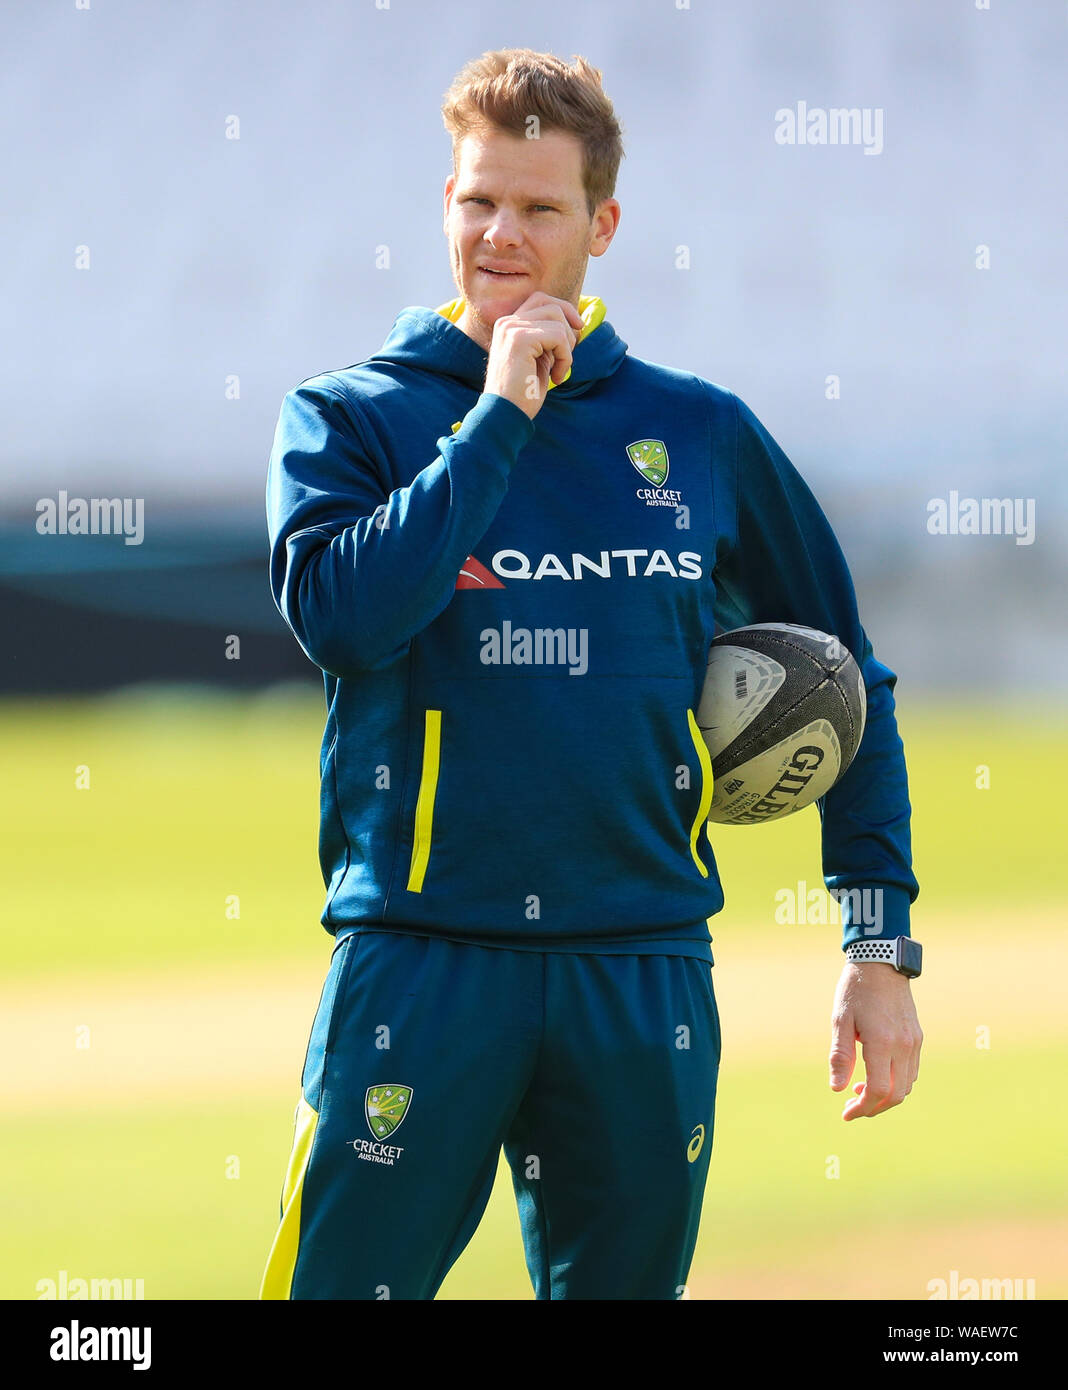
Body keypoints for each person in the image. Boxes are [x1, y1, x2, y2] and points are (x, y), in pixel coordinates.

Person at [259, 48, 922, 1302]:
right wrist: (499, 415)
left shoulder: (702, 431)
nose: (500, 232)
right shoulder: (349, 417)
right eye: (476, 201)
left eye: (538, 207)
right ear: (445, 206)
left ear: (602, 224)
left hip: (643, 965)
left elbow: (853, 677)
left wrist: (878, 943)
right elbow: (348, 620)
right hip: (419, 960)